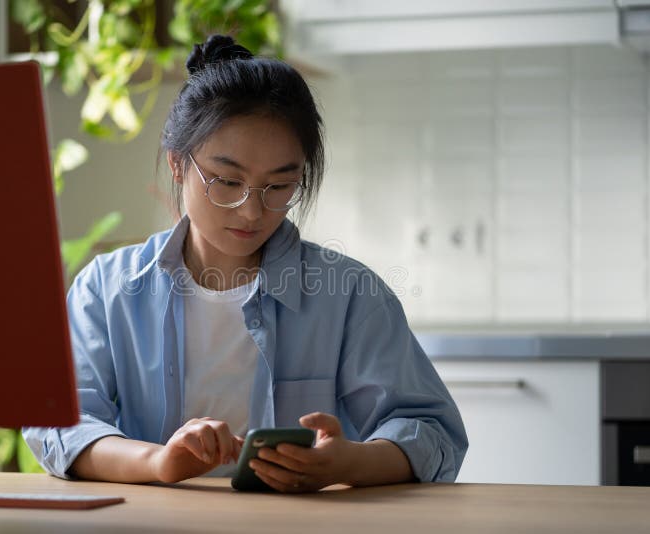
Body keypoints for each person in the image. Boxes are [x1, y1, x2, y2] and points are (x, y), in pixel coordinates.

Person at [24, 34, 467, 492]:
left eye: (279, 187)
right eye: (227, 181)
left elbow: (433, 433)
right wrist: (158, 462)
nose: (252, 211)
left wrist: (347, 463)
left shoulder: (351, 294)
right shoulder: (107, 287)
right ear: (178, 165)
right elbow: (59, 425)